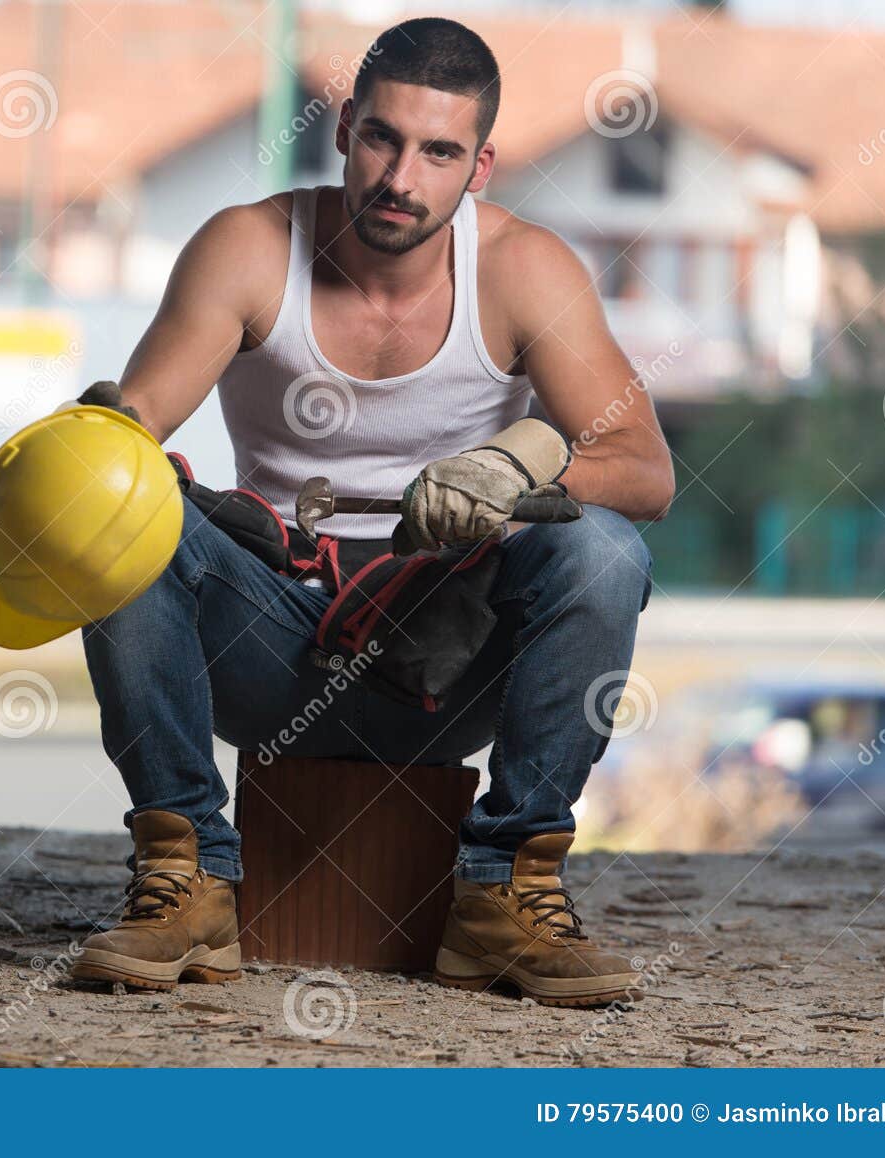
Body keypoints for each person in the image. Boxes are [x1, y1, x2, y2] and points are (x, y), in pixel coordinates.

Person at [66, 17, 674, 1007]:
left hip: (445, 658)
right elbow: (132, 430)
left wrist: (512, 473)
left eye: (437, 151)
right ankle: (187, 881)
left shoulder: (523, 270)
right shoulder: (249, 246)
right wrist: (89, 448)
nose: (401, 177)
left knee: (601, 552)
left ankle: (503, 894)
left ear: (477, 168)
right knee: (126, 519)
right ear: (345, 127)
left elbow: (645, 470)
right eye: (384, 139)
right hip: (271, 645)